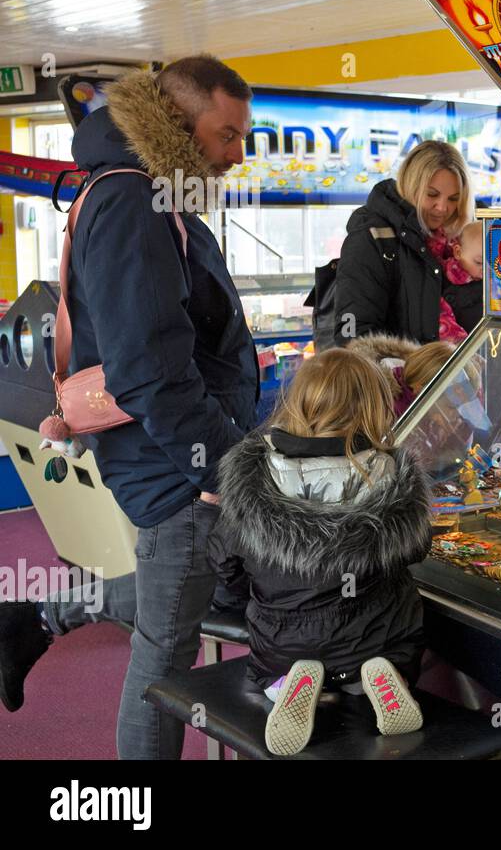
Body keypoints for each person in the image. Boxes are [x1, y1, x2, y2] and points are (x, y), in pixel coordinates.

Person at [0, 55, 260, 760]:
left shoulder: (155, 193)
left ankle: (34, 618)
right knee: (164, 659)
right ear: (178, 123)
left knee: (174, 599)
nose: (237, 155)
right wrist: (224, 467)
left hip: (176, 459)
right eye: (227, 135)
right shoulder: (132, 201)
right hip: (177, 470)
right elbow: (150, 372)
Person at [208, 349, 430, 756]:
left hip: (282, 643)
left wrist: (251, 592)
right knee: (396, 600)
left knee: (276, 662)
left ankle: (286, 685)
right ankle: (377, 675)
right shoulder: (388, 473)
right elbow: (416, 548)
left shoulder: (256, 477)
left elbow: (224, 560)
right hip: (372, 636)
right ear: (373, 408)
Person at [333, 140, 478, 345]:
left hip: (454, 374)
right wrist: (408, 368)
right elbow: (355, 338)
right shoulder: (371, 238)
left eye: (454, 198)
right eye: (432, 194)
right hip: (403, 375)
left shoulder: (456, 243)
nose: (442, 207)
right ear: (411, 185)